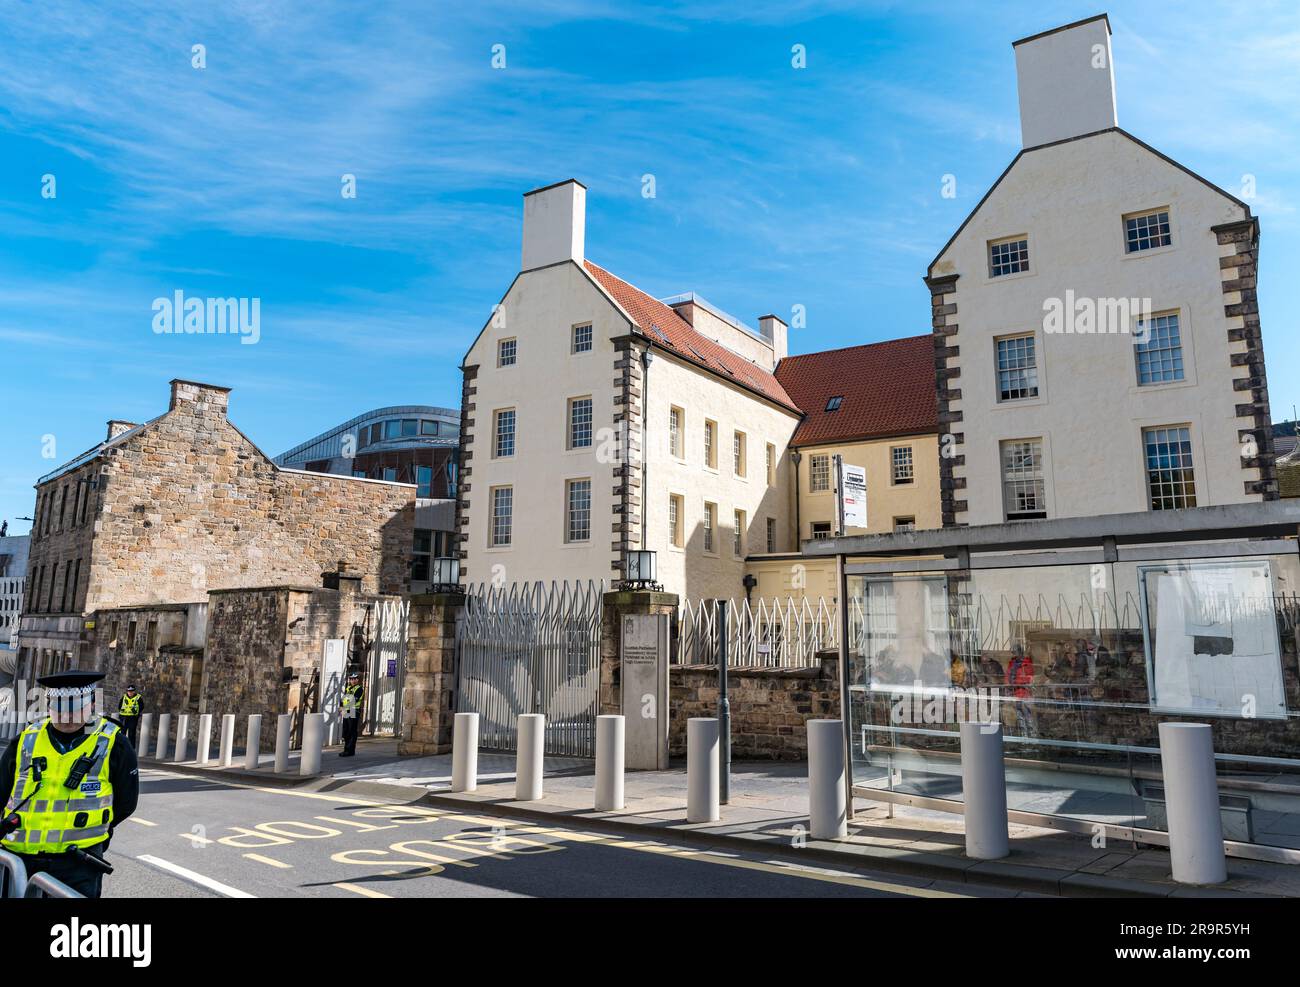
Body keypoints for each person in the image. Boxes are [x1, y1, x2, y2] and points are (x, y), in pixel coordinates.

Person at [1, 669, 139, 897]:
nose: (67, 717)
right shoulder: (27, 739)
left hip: (78, 865)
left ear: (92, 704)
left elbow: (126, 803)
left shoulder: (115, 743)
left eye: (75, 709)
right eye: (60, 709)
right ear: (49, 706)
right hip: (18, 861)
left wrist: (90, 829)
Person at [339, 670, 364, 758]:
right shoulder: (348, 688)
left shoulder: (359, 689)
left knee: (351, 731)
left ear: (358, 680)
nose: (353, 680)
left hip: (353, 710)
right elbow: (343, 699)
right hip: (347, 710)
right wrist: (341, 706)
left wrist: (345, 704)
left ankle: (350, 750)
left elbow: (354, 700)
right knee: (346, 731)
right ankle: (346, 749)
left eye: (355, 679)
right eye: (351, 679)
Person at [118, 684, 142, 749]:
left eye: (131, 691)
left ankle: (131, 748)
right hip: (124, 717)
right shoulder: (124, 697)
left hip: (133, 718)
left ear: (134, 691)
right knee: (122, 733)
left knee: (131, 733)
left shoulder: (138, 697)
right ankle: (121, 747)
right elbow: (120, 706)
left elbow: (141, 706)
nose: (130, 692)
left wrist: (137, 713)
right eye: (129, 691)